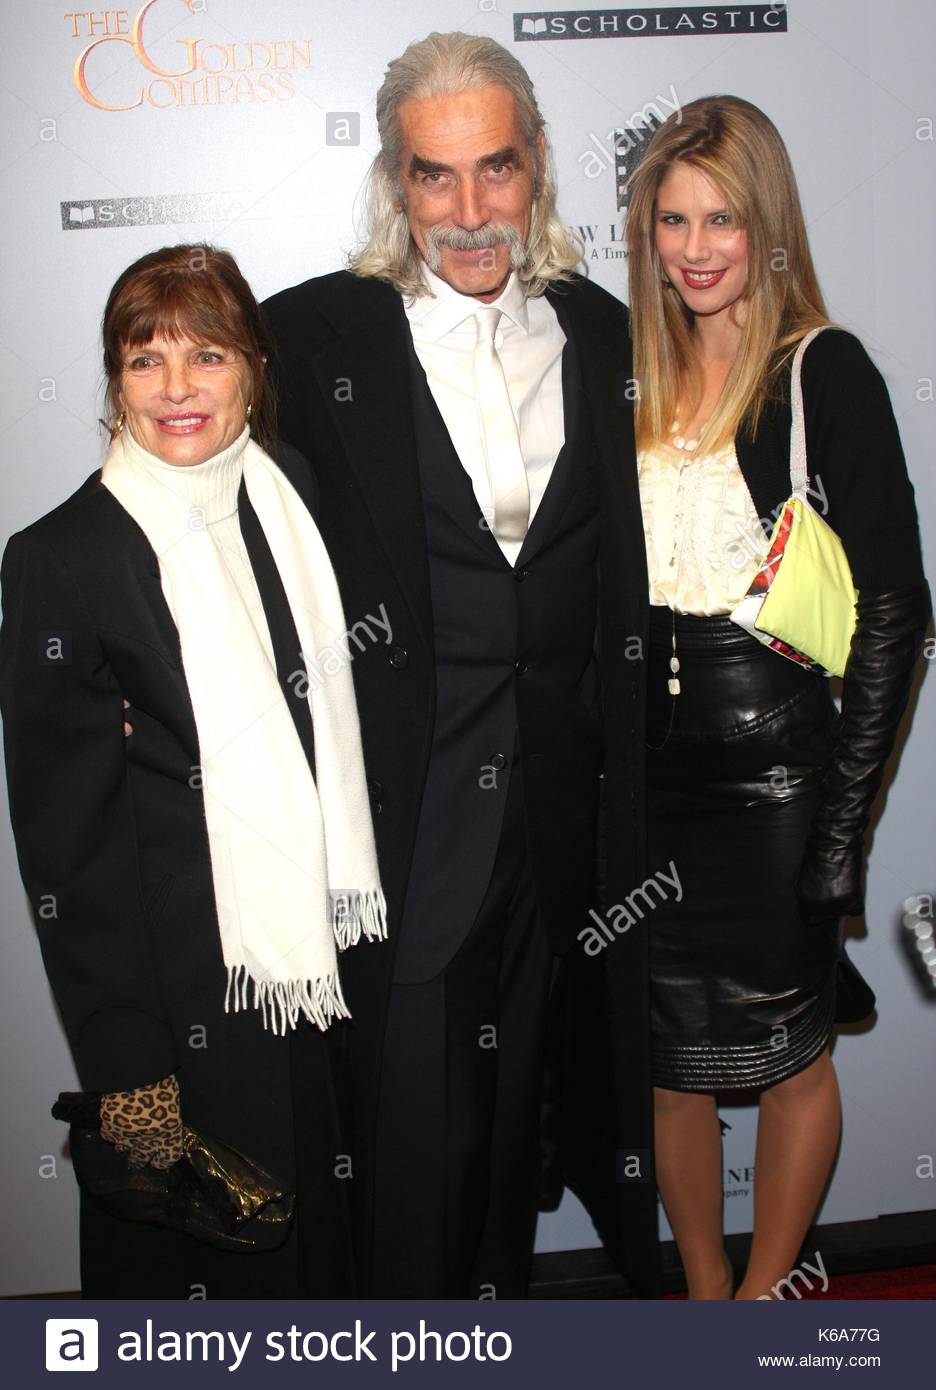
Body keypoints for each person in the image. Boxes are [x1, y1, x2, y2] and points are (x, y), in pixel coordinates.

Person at [263, 32, 660, 1298]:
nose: (472, 211)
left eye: (497, 167)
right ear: (393, 180)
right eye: (436, 178)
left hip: (560, 847)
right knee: (406, 1160)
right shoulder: (310, 341)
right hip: (402, 837)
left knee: (512, 1154)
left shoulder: (607, 336)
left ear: (539, 161)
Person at [0, 244, 386, 1298]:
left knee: (312, 1256)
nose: (176, 388)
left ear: (254, 369)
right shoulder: (64, 557)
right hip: (178, 997)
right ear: (113, 379)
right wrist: (129, 1072)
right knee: (211, 1276)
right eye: (143, 359)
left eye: (206, 354)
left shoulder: (285, 494)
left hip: (302, 967)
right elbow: (66, 853)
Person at [624, 95, 930, 1299]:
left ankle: (765, 1306)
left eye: (725, 221)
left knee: (793, 1059)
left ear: (771, 228)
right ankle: (707, 1297)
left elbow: (898, 610)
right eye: (672, 221)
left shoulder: (823, 371)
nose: (696, 249)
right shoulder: (631, 374)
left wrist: (843, 832)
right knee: (667, 1065)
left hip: (779, 786)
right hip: (650, 786)